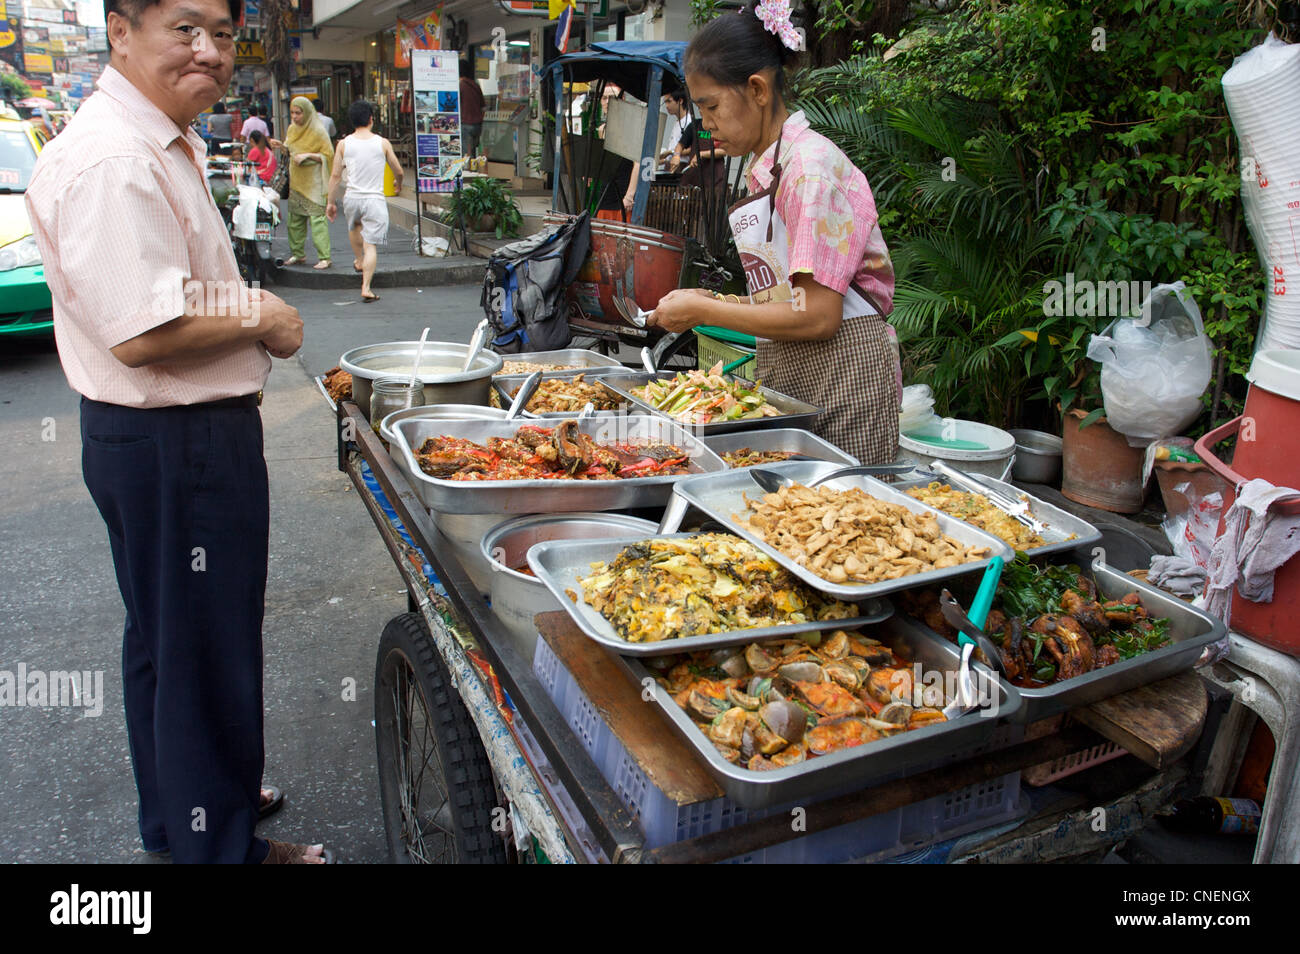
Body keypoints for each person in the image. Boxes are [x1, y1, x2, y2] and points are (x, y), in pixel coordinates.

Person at [25, 0, 330, 864]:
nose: (210, 51)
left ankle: (186, 814)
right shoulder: (116, 156)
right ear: (120, 31)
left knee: (168, 640)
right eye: (184, 29)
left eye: (223, 36)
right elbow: (141, 327)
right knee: (201, 649)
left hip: (157, 440)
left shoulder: (157, 136)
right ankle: (220, 848)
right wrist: (263, 312)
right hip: (177, 440)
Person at [647, 0, 901, 465]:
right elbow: (788, 298)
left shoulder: (808, 170)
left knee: (846, 525)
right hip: (795, 374)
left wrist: (705, 310)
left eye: (712, 106)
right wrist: (721, 301)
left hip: (847, 376)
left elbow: (818, 315)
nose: (705, 125)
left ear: (758, 89)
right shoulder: (769, 169)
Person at [325, 99, 403, 303]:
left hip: (352, 198)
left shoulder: (343, 144)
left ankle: (359, 261)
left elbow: (335, 176)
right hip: (374, 200)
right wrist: (398, 183)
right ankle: (366, 286)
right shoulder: (382, 143)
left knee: (354, 228)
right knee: (371, 245)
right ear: (371, 119)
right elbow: (399, 170)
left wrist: (330, 203)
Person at [272, 96, 332, 268]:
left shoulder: (318, 131)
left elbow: (329, 155)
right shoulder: (292, 129)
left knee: (317, 220)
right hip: (297, 181)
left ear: (306, 113)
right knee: (294, 220)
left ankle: (324, 257)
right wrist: (281, 146)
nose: (295, 116)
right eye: (292, 113)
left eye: (298, 113)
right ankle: (298, 253)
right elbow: (290, 149)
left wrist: (308, 155)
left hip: (313, 183)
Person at [458, 58, 484, 158]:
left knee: (465, 153)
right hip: (477, 125)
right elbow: (483, 107)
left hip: (465, 124)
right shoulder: (476, 85)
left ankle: (466, 171)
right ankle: (473, 170)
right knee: (473, 152)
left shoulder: (460, 85)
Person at [658, 89, 690, 167]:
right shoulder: (677, 122)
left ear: (680, 101)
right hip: (672, 166)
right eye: (665, 102)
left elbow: (691, 149)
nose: (666, 106)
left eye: (669, 101)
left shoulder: (689, 122)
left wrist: (671, 152)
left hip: (682, 167)